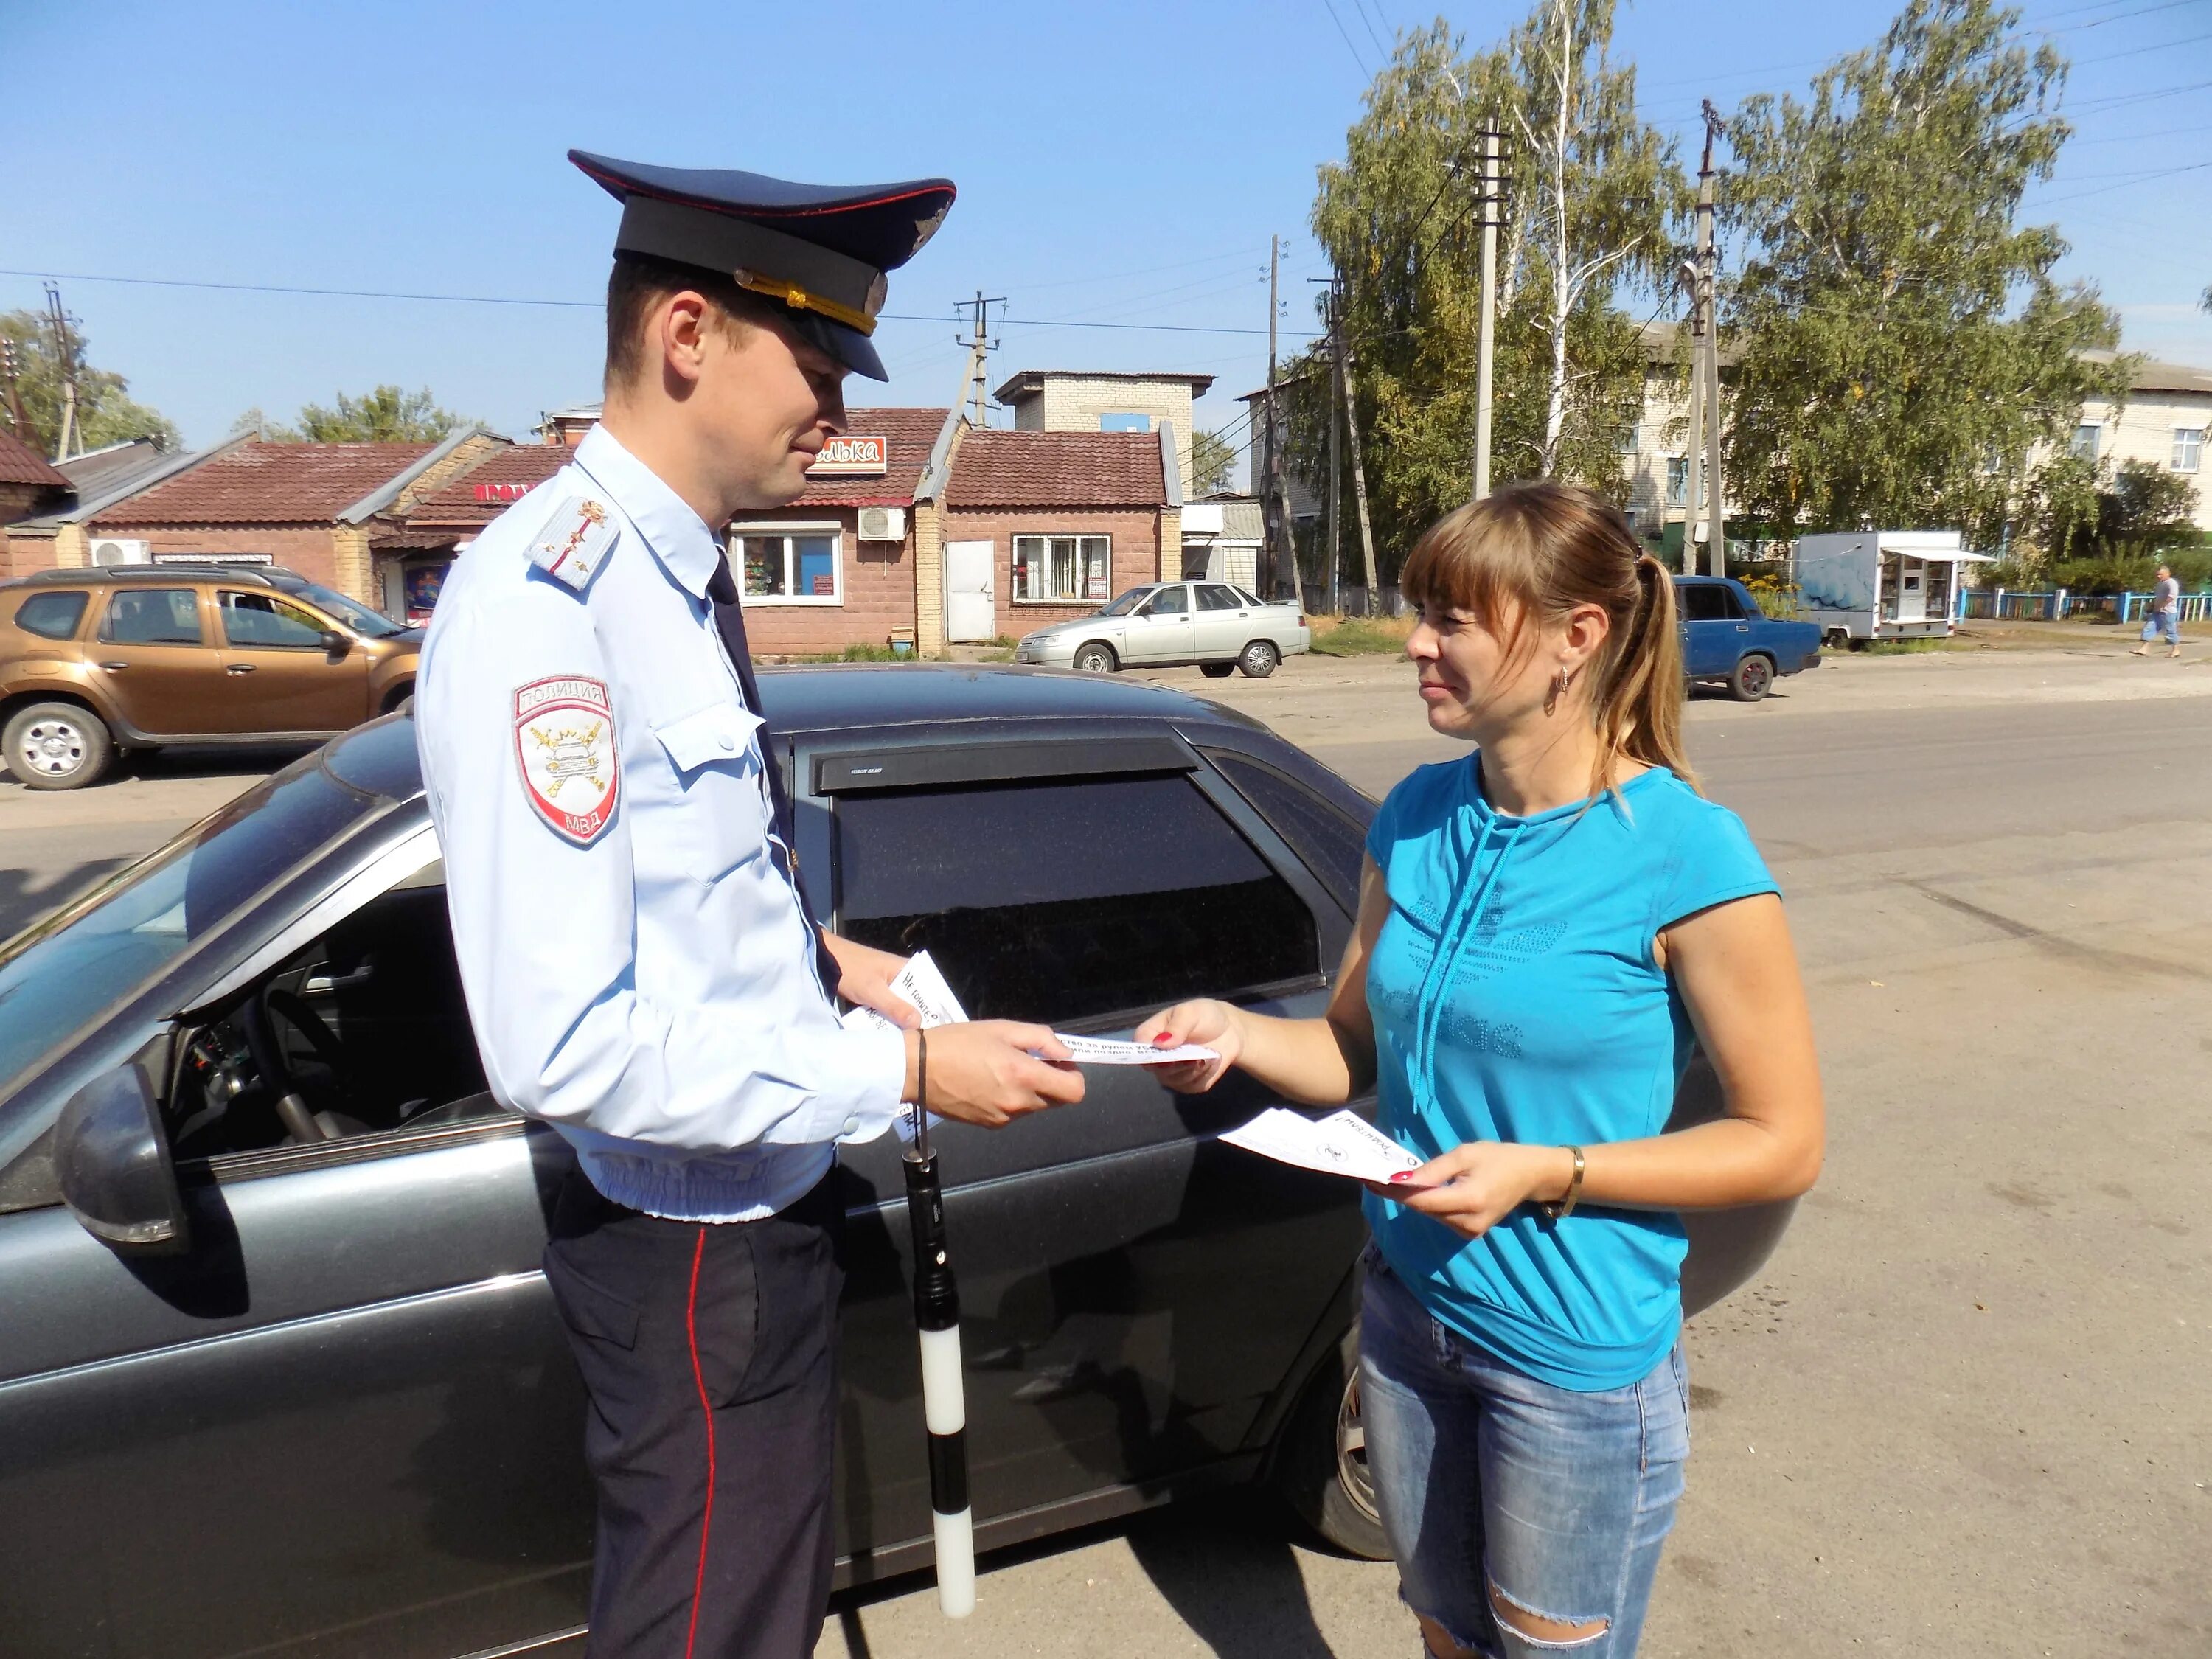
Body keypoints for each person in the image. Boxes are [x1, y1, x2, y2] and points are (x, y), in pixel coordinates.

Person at [414, 151, 1085, 1659]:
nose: (841, 411)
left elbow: (692, 882)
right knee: (708, 1630)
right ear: (688, 337)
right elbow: (564, 1046)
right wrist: (906, 1072)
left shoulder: (670, 573)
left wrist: (842, 968)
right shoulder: (554, 609)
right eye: (819, 358)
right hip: (692, 1237)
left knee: (752, 1610)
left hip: (750, 1197)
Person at [1138, 484, 1824, 1659]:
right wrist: (1239, 1032)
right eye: (1421, 611)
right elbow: (1350, 1048)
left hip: (1574, 1365)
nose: (1415, 642)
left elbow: (1782, 1138)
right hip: (1406, 1317)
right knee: (1446, 1631)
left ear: (1578, 638)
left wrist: (1547, 1169)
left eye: (1452, 618)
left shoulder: (1683, 850)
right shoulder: (1413, 814)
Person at [2131, 563, 2183, 658]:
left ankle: (2176, 650)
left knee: (2169, 630)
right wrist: (2152, 605)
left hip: (2168, 612)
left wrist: (2162, 606)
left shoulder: (2171, 583)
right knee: (2149, 628)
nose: (2159, 576)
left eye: (2161, 574)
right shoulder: (2160, 584)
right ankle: (2144, 649)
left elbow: (2172, 596)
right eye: (2157, 575)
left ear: (2168, 574)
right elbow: (2158, 596)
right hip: (2157, 611)